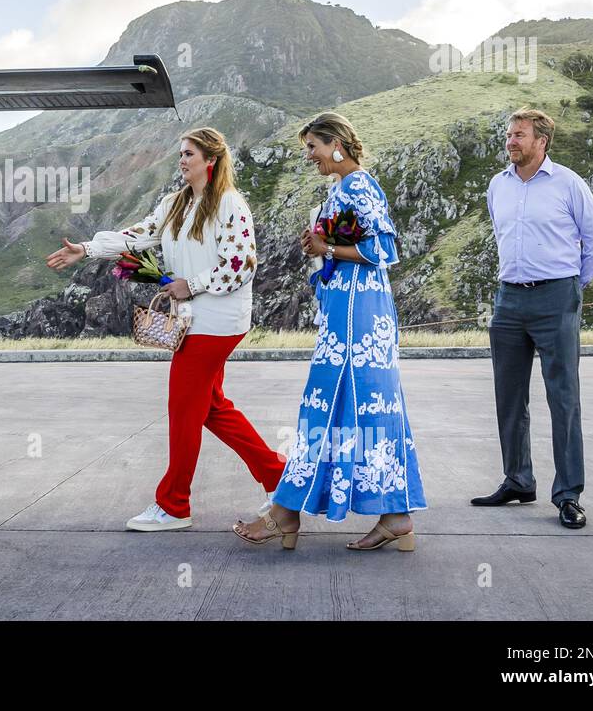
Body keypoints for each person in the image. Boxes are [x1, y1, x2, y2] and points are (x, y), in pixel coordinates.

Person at [47, 127, 284, 531]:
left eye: (188, 153)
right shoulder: (175, 204)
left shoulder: (230, 204)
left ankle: (174, 505)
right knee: (210, 408)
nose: (181, 160)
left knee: (184, 410)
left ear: (210, 160)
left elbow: (241, 264)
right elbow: (136, 236)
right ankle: (280, 479)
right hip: (193, 320)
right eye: (180, 154)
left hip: (218, 321)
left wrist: (189, 284)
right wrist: (87, 249)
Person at [236, 112, 427, 552]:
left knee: (336, 404)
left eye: (313, 147)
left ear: (336, 142)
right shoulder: (340, 188)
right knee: (352, 407)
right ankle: (394, 516)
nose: (310, 156)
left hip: (360, 315)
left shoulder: (359, 184)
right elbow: (347, 250)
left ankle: (286, 513)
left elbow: (383, 248)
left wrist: (330, 248)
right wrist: (319, 251)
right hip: (346, 309)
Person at [474, 108, 593, 529]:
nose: (511, 141)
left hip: (556, 298)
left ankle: (568, 494)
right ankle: (518, 479)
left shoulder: (569, 184)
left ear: (541, 141)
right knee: (509, 397)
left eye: (519, 135)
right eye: (509, 135)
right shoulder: (498, 185)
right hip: (508, 300)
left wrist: (572, 287)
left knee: (563, 398)